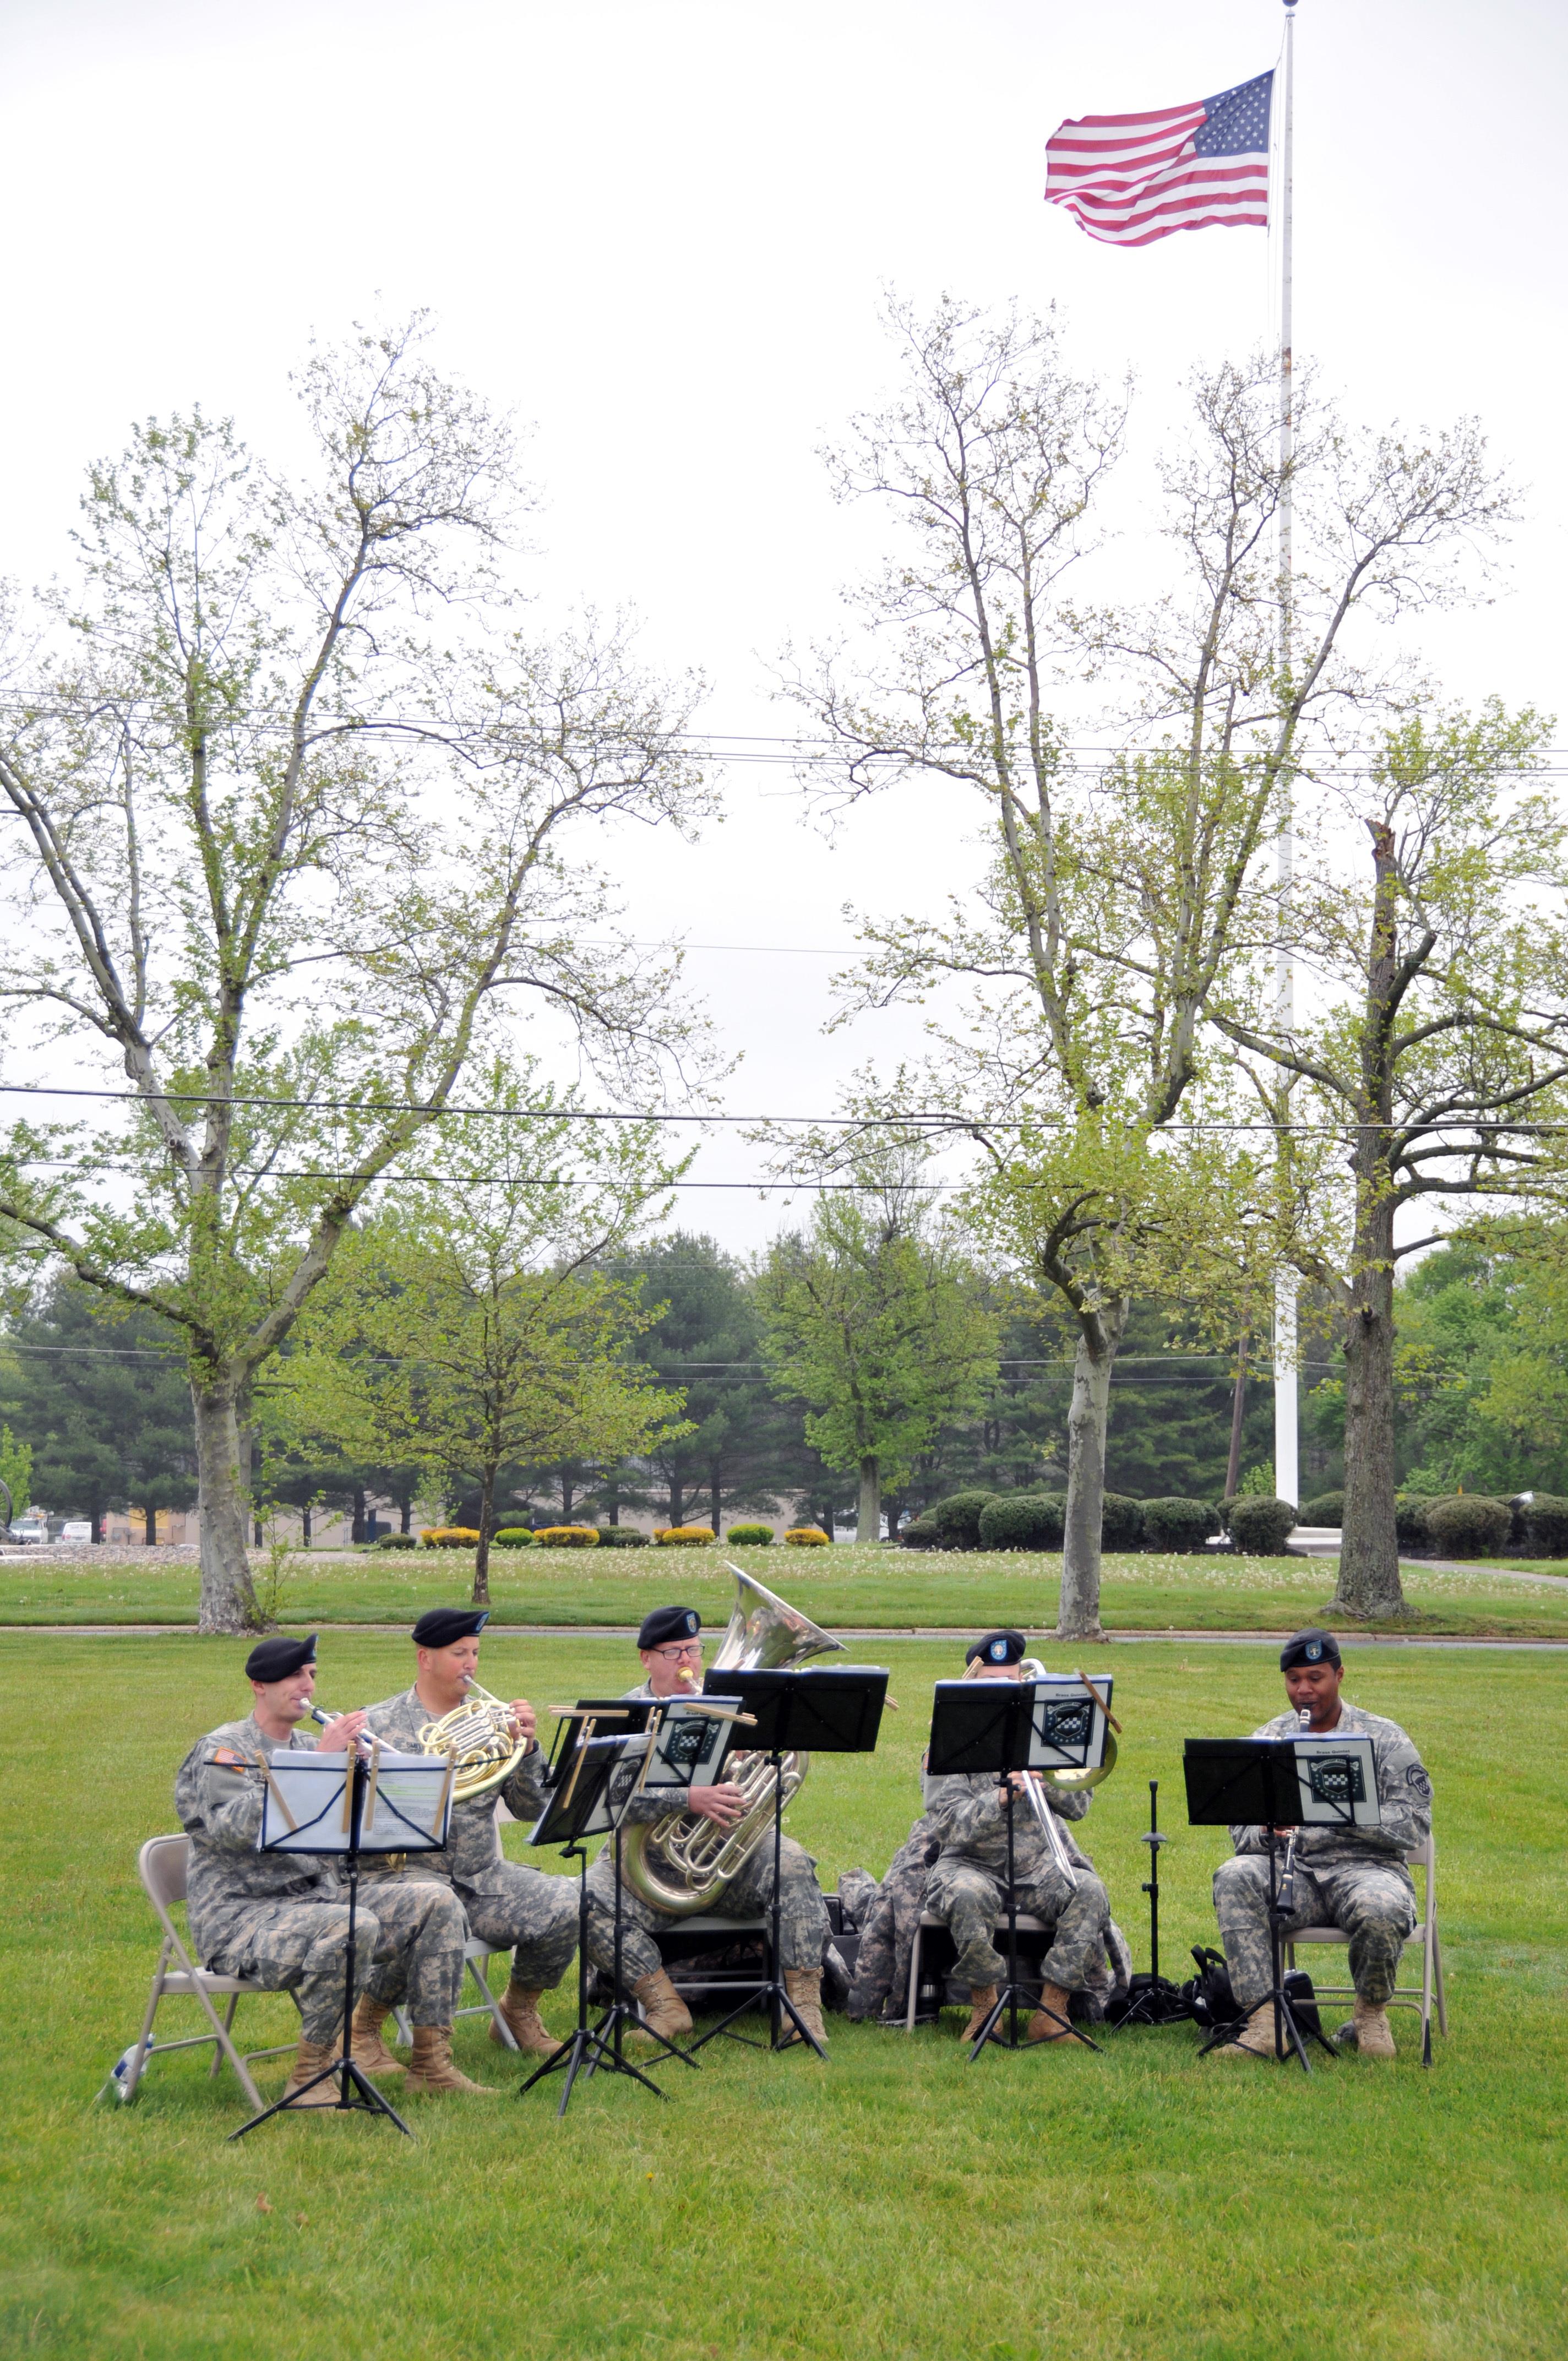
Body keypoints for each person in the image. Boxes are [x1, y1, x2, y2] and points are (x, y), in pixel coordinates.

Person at [173, 1633, 476, 2103]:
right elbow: (231, 1827)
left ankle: (431, 2063)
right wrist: (318, 1764)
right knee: (350, 1926)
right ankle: (310, 2075)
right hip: (242, 1917)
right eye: (295, 1676)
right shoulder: (222, 1749)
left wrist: (372, 1782)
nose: (307, 1685)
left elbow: (356, 1832)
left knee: (437, 1901)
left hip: (316, 1898)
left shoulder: (311, 1743)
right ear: (259, 1685)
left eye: (311, 1675)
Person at [581, 1604, 832, 2051]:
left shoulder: (731, 1712)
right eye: (674, 1652)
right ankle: (665, 2006)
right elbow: (603, 1795)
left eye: (694, 1650)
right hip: (643, 1868)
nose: (687, 1662)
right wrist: (686, 1797)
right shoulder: (623, 1716)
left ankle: (805, 2006)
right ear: (646, 1658)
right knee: (581, 1901)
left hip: (725, 1859)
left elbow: (777, 1776)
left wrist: (747, 1771)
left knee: (791, 1862)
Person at [353, 1606, 578, 2073]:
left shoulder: (493, 1722)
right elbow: (355, 1819)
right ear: (425, 1658)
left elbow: (533, 1809)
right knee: (435, 1909)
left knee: (567, 1900)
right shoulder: (378, 1726)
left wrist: (530, 1749)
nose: (471, 1664)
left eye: (475, 1653)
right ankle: (362, 2028)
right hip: (401, 1880)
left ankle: (517, 2011)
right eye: (459, 1654)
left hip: (479, 1877)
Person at [1208, 1627, 1431, 2063]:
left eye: (1316, 1678)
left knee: (1383, 1907)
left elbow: (1415, 1824)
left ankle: (1370, 2013)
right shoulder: (1270, 1739)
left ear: (1340, 1675)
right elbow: (1240, 1827)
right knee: (1234, 1877)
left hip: (1368, 1871)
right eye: (1294, 1680)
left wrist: (1344, 1814)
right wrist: (1266, 1832)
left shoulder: (1384, 1738)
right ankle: (1266, 2023)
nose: (1304, 1690)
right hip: (1299, 1875)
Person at [921, 1629, 1115, 2045]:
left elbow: (1079, 1808)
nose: (1006, 1697)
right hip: (969, 1864)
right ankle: (985, 2009)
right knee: (969, 1895)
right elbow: (948, 1825)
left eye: (1012, 1685)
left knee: (1089, 1890)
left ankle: (1052, 2012)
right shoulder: (952, 1738)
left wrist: (1049, 1780)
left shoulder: (1045, 1731)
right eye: (994, 1687)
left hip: (1037, 1866)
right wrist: (1000, 1800)